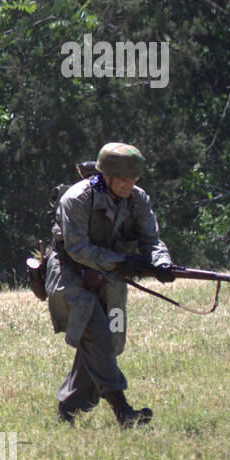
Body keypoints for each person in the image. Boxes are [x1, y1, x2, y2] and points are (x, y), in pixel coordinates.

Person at [45, 142, 172, 427]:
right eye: (124, 178)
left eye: (134, 178)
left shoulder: (138, 199)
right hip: (69, 274)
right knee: (97, 333)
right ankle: (123, 412)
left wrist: (161, 261)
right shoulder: (76, 199)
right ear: (106, 176)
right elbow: (77, 248)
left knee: (108, 341)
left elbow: (151, 239)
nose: (130, 184)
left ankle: (67, 411)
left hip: (109, 277)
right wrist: (122, 262)